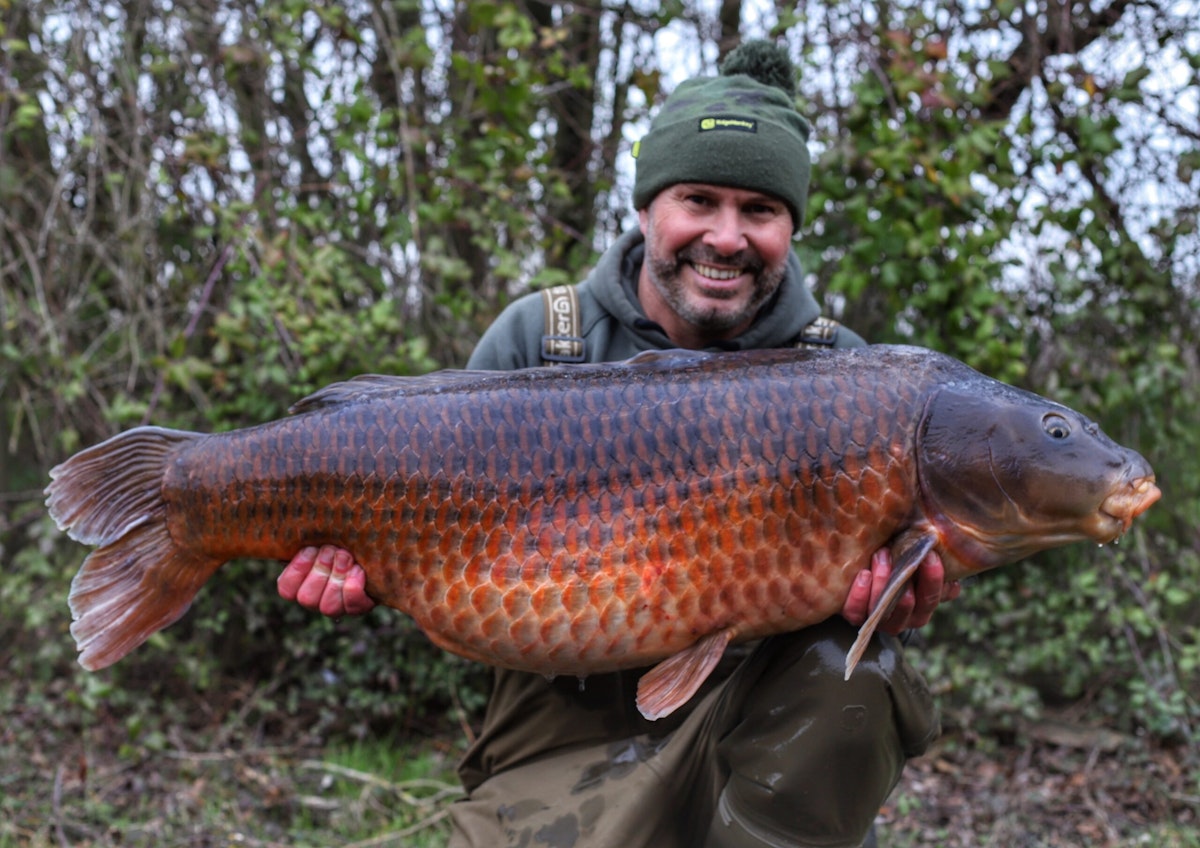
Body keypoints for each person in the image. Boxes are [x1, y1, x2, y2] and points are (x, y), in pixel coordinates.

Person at [278, 40, 960, 848]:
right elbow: (450, 558)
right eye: (699, 199)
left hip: (772, 722)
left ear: (790, 226)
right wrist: (362, 561)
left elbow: (894, 591)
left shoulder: (852, 375)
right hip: (562, 724)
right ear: (647, 210)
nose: (727, 236)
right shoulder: (540, 336)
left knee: (858, 682)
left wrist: (896, 610)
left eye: (760, 210)